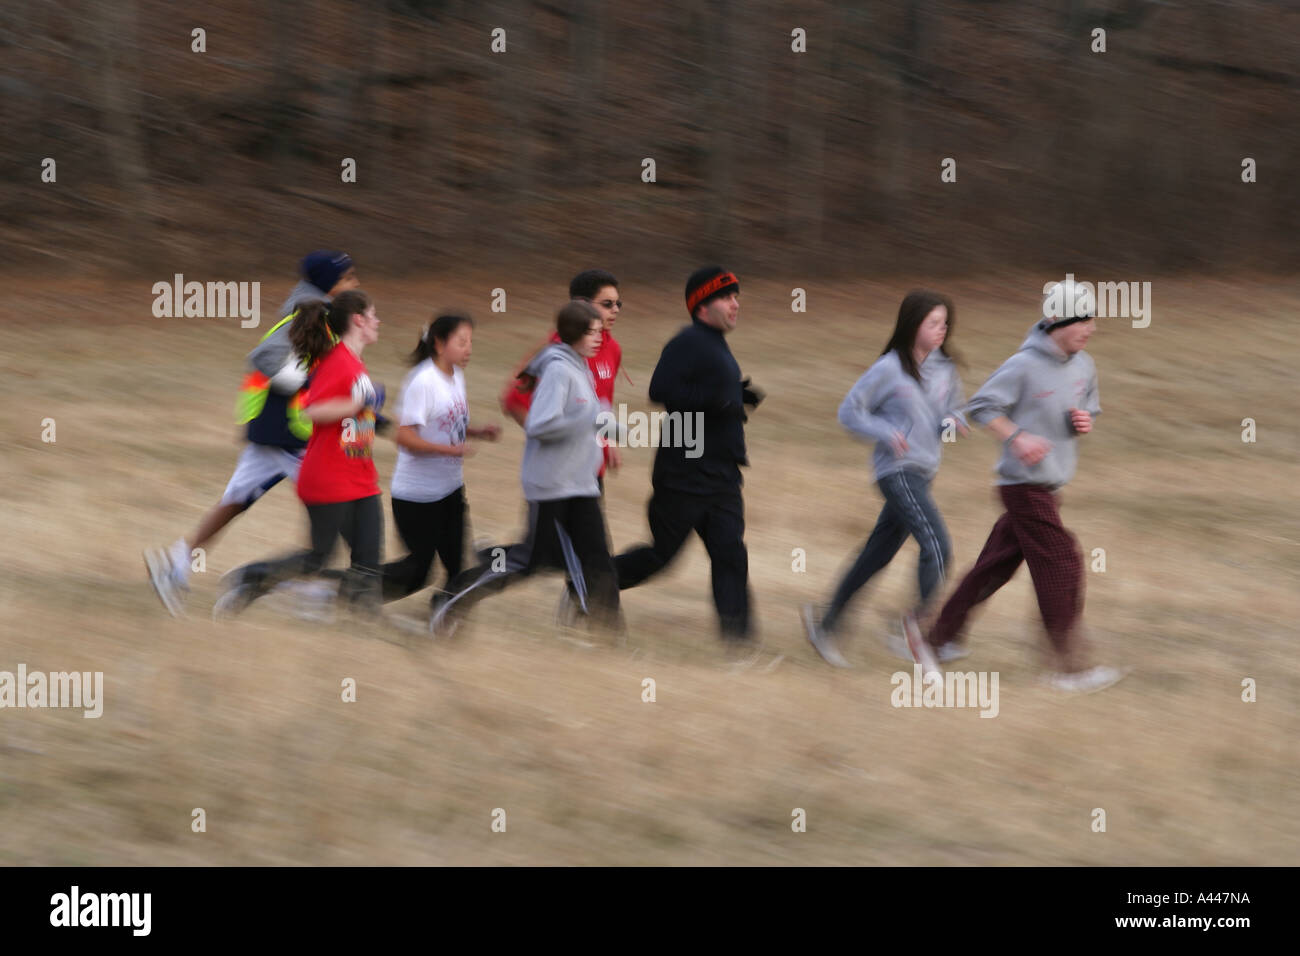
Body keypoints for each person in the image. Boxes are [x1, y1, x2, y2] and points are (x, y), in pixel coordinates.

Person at [908, 280, 1123, 693]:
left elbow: (1089, 406)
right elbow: (983, 407)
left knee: (993, 568)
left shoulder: (1084, 365)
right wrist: (1017, 437)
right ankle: (1067, 666)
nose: (1091, 327)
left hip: (1052, 484)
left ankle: (935, 638)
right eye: (1083, 319)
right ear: (1056, 320)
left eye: (1093, 319)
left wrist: (1084, 421)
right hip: (1022, 485)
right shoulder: (1023, 365)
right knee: (1063, 560)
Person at [144, 251, 358, 615]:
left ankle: (174, 565)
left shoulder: (316, 310)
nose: (355, 283)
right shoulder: (310, 314)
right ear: (330, 283)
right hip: (291, 433)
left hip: (273, 429)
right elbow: (264, 357)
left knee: (235, 501)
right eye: (349, 277)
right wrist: (307, 384)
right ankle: (308, 591)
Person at [431, 301, 621, 636]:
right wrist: (588, 419)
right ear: (575, 334)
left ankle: (609, 641)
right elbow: (540, 425)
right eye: (592, 332)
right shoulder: (560, 370)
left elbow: (585, 418)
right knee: (530, 563)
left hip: (580, 483)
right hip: (554, 486)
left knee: (597, 561)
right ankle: (453, 603)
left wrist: (606, 426)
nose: (598, 338)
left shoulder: (580, 367)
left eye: (599, 332)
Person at [802, 290, 968, 668]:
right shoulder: (889, 368)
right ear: (913, 325)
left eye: (945, 323)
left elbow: (951, 413)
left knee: (875, 556)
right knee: (937, 545)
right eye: (933, 323)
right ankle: (921, 631)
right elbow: (849, 412)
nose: (942, 329)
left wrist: (954, 424)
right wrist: (883, 431)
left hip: (924, 472)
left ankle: (824, 626)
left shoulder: (946, 368)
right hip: (896, 472)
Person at [612, 266, 763, 649]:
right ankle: (588, 585)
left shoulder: (713, 342)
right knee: (661, 556)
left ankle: (738, 647)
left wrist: (736, 395)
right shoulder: (689, 341)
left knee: (730, 556)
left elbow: (701, 391)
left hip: (721, 475)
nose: (735, 304)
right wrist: (721, 400)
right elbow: (660, 389)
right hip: (685, 474)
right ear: (702, 305)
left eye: (736, 296)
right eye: (727, 297)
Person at [212, 290, 386, 619]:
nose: (379, 321)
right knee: (319, 557)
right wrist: (360, 403)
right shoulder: (337, 361)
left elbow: (354, 417)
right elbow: (313, 409)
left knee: (368, 562)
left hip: (359, 477)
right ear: (358, 320)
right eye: (373, 315)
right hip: (329, 478)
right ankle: (253, 578)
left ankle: (367, 629)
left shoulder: (354, 361)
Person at [380, 313, 500, 610]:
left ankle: (442, 619)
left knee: (458, 568)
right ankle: (353, 592)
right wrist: (449, 451)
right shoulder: (422, 381)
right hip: (417, 497)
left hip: (450, 491)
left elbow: (447, 423)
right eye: (461, 342)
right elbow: (404, 438)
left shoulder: (456, 376)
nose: (468, 349)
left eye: (470, 341)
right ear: (438, 343)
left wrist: (477, 431)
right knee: (417, 572)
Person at [500, 268, 625, 477]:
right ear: (582, 305)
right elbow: (514, 400)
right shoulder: (554, 350)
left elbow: (602, 404)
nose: (616, 310)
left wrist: (608, 439)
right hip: (556, 475)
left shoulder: (613, 348)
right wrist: (552, 446)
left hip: (591, 471)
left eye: (617, 304)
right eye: (607, 304)